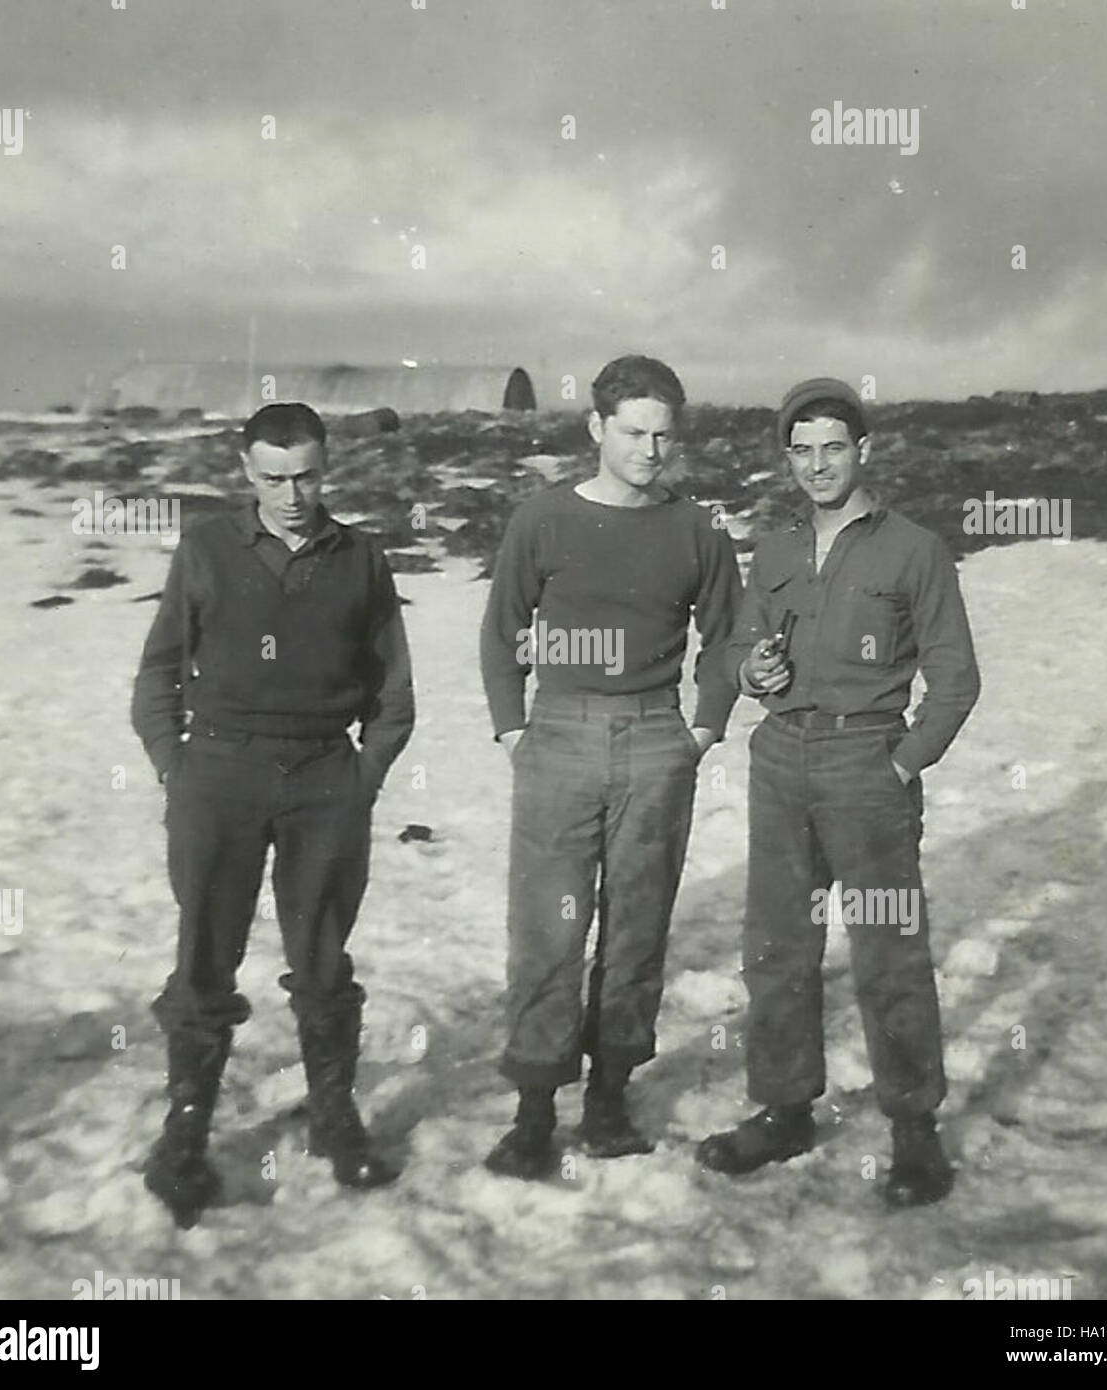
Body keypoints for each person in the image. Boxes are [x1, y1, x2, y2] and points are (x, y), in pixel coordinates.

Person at [697, 378, 980, 1208]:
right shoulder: (777, 547)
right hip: (781, 759)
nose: (817, 465)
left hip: (867, 766)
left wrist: (902, 763)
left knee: (887, 950)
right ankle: (784, 1109)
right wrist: (752, 668)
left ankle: (912, 1128)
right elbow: (738, 647)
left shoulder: (913, 549)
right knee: (777, 945)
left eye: (833, 448)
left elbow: (955, 678)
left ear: (863, 452)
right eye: (801, 450)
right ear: (787, 458)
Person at [131, 401, 414, 1226]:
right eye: (274, 478)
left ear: (328, 471)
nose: (292, 494)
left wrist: (361, 780)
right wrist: (175, 768)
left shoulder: (360, 557)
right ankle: (185, 1133)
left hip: (325, 773)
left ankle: (333, 1118)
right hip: (218, 771)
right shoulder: (209, 548)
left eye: (308, 476)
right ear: (246, 475)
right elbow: (158, 672)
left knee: (322, 955)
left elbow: (393, 690)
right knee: (203, 958)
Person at [479, 355, 742, 1179]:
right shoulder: (543, 519)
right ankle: (532, 1111)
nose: (649, 450)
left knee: (636, 926)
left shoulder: (696, 529)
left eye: (664, 435)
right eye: (632, 431)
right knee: (548, 928)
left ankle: (608, 1099)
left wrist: (702, 729)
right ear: (596, 428)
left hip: (655, 741)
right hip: (557, 737)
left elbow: (727, 637)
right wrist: (513, 732)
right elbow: (500, 631)